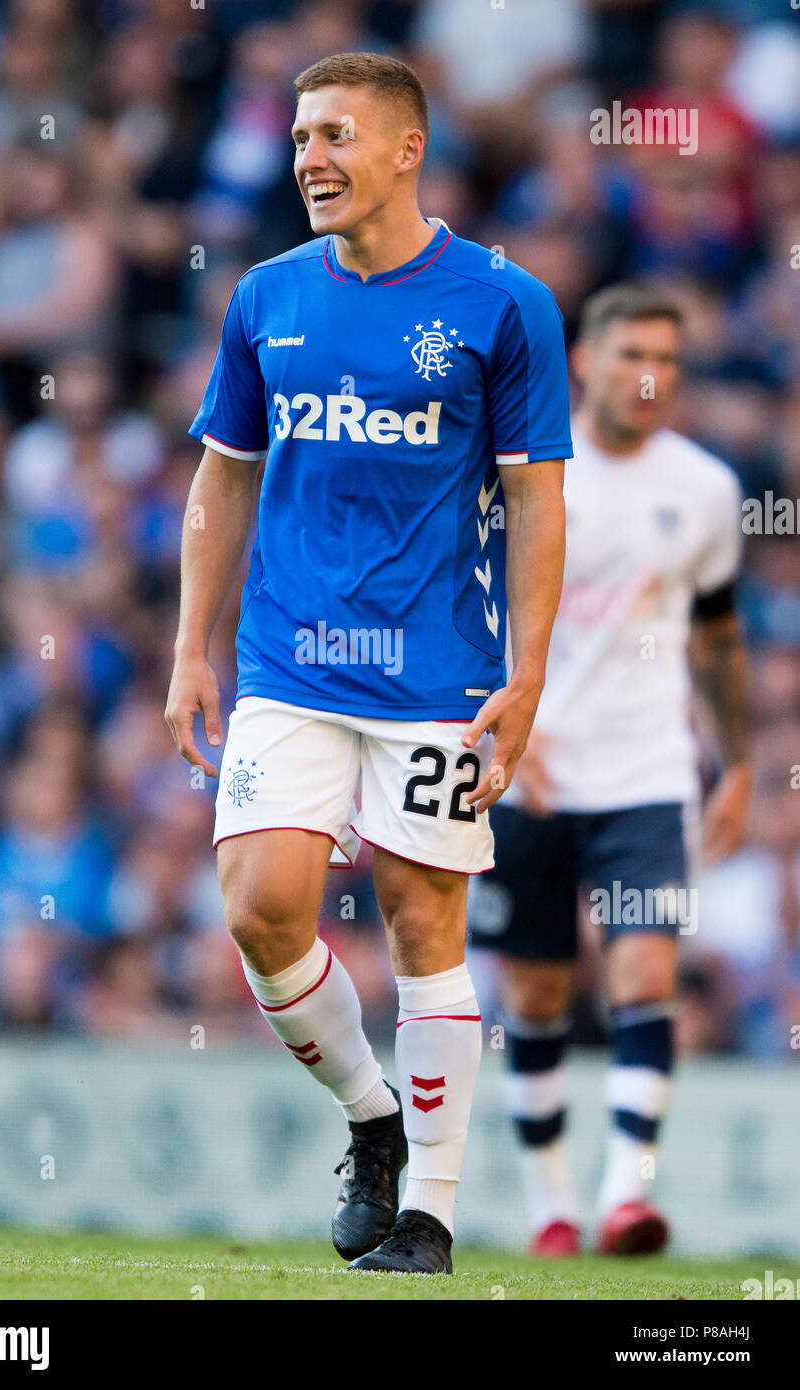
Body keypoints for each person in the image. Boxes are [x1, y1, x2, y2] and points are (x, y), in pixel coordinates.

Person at [166, 52, 570, 1274]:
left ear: (406, 150)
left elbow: (537, 500)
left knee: (420, 920)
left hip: (437, 671)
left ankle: (432, 1218)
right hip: (286, 659)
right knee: (260, 902)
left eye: (335, 134)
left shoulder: (504, 304)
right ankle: (369, 1115)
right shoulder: (266, 297)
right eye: (298, 137)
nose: (309, 159)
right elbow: (224, 473)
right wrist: (192, 644)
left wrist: (530, 669)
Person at [467, 283, 750, 1257]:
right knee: (536, 997)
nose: (652, 378)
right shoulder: (525, 471)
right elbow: (466, 604)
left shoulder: (704, 489)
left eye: (669, 361)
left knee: (643, 967)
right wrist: (504, 718)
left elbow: (716, 636)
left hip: (645, 772)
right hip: (525, 772)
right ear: (582, 362)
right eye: (634, 354)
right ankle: (552, 1207)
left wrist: (740, 760)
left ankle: (625, 1196)